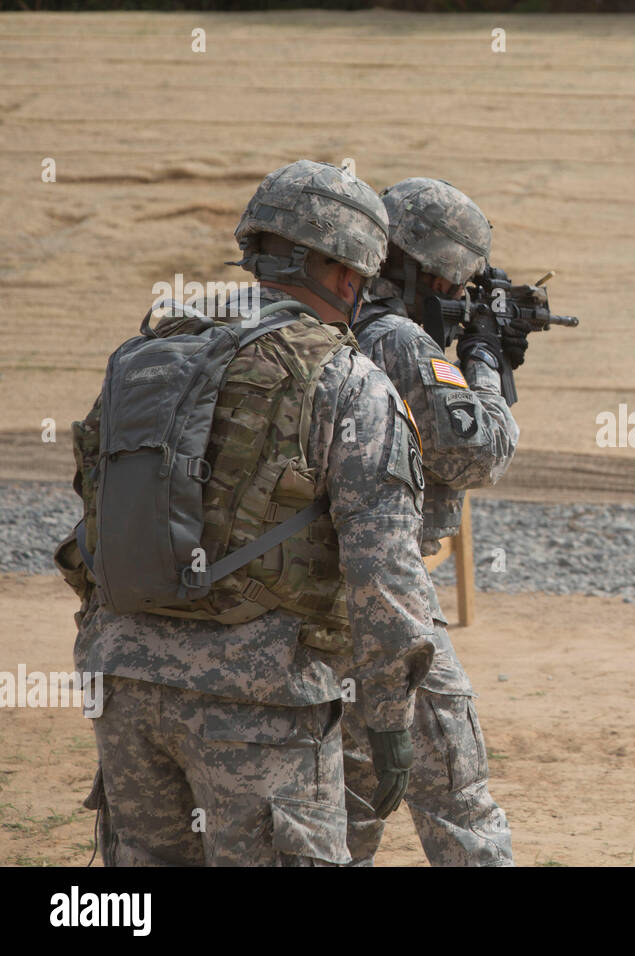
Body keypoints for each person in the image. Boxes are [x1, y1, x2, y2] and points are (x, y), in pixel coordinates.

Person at [55, 160, 435, 866]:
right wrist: (387, 718)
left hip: (126, 685)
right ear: (350, 273)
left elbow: (93, 514)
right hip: (261, 705)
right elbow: (385, 573)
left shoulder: (149, 350)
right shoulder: (348, 380)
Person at [343, 177, 519, 866]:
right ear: (411, 268)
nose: (454, 296)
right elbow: (477, 454)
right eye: (448, 284)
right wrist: (483, 362)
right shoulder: (401, 342)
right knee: (455, 788)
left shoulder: (318, 320)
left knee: (347, 797)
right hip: (387, 591)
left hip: (308, 598)